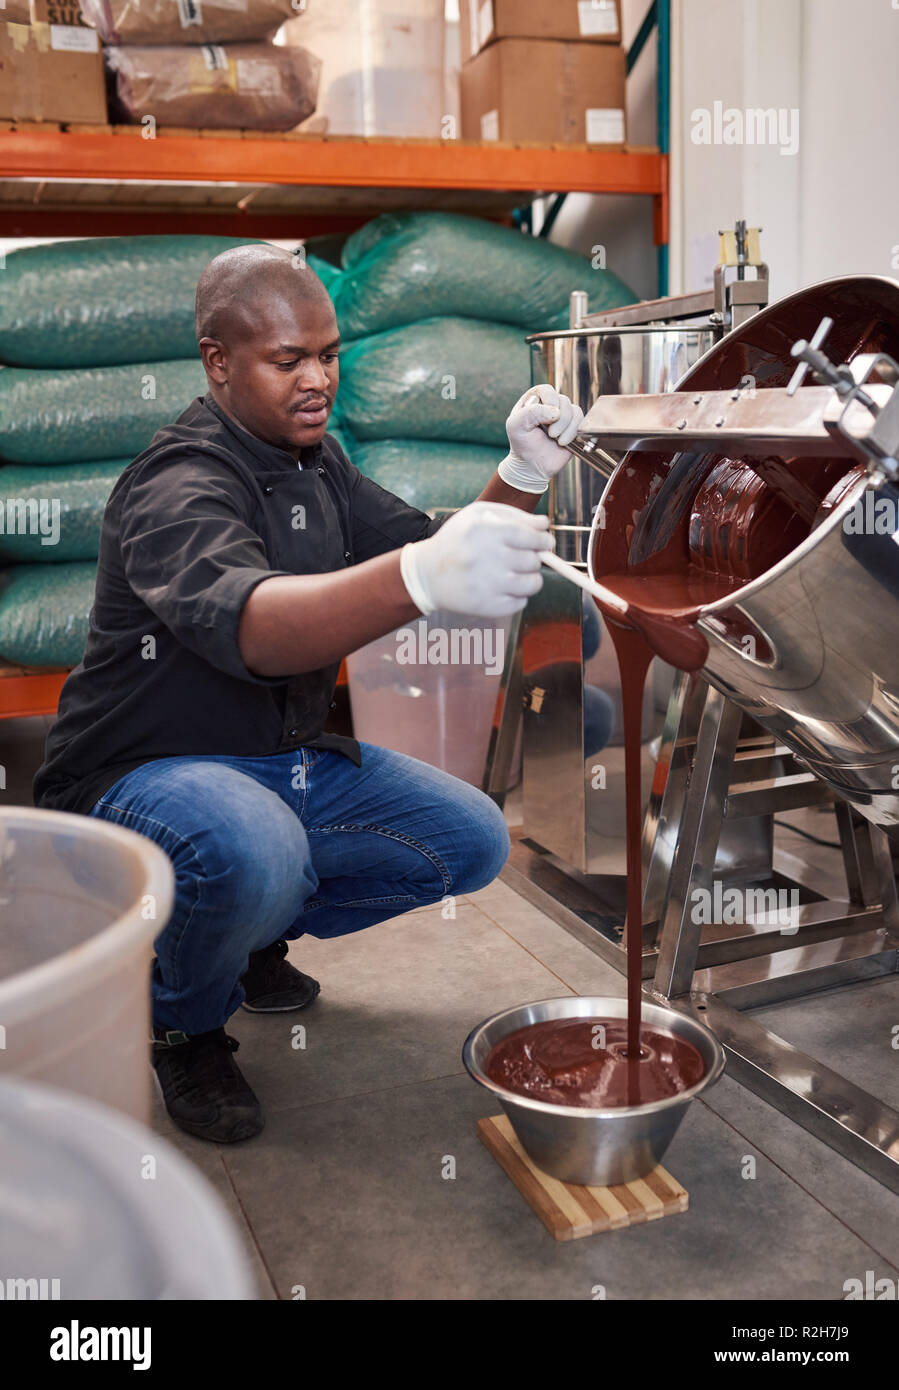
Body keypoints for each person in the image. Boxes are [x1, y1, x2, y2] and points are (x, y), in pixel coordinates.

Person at [33, 243, 583, 1143]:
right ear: (218, 362)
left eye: (326, 354)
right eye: (287, 360)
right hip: (140, 776)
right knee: (251, 845)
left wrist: (517, 479)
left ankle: (239, 937)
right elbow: (255, 625)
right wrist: (420, 572)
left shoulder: (316, 465)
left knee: (470, 839)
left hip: (279, 761)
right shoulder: (177, 483)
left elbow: (422, 551)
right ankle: (183, 1022)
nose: (316, 378)